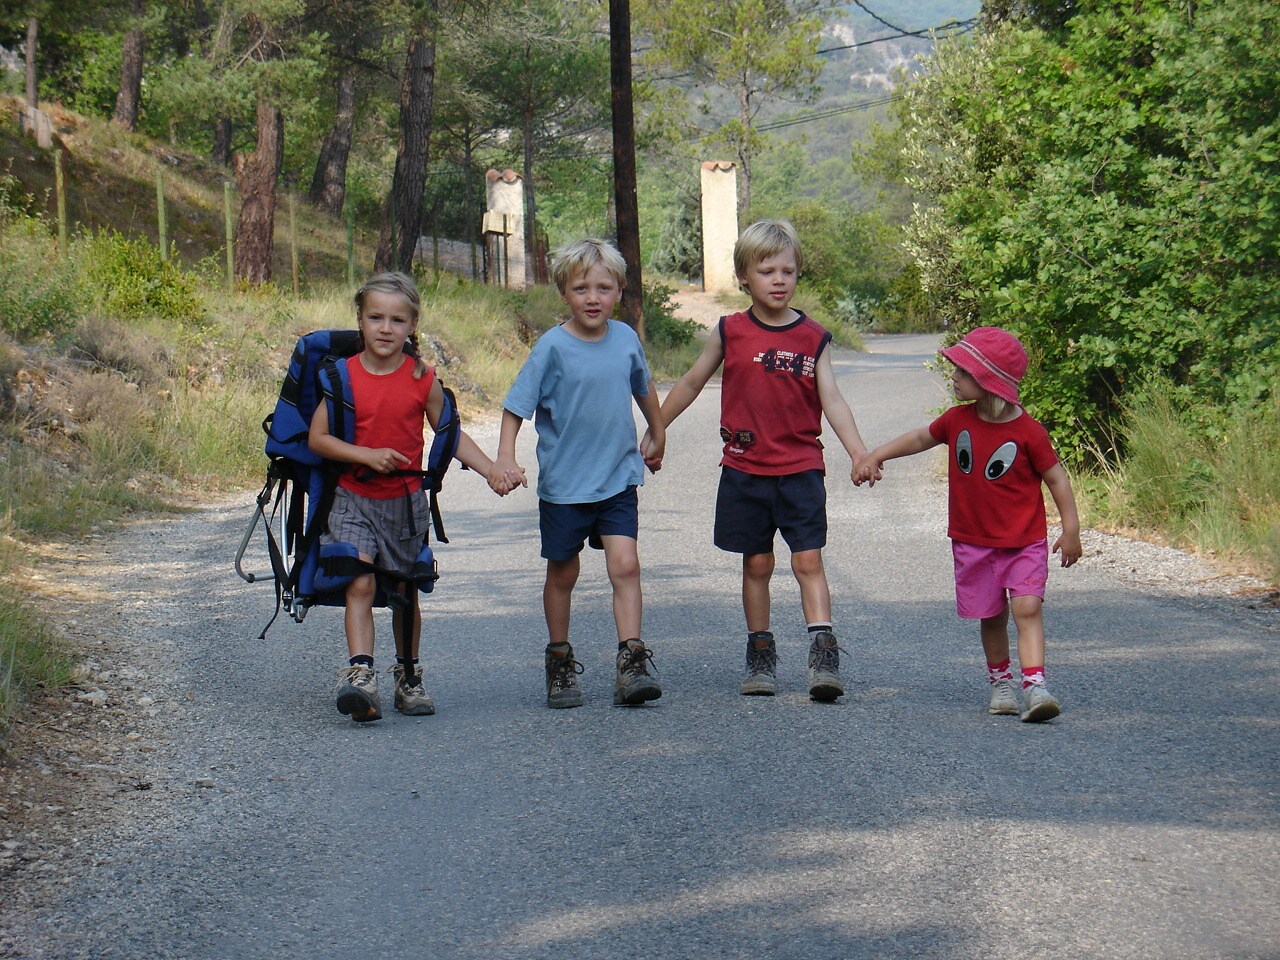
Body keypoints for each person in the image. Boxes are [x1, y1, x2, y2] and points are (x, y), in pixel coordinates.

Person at [646, 219, 872, 701]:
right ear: (744, 276)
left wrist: (858, 452)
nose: (778, 280)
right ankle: (761, 654)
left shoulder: (815, 338)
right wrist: (657, 428)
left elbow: (832, 400)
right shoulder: (731, 331)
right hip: (746, 469)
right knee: (757, 563)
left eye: (787, 271)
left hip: (801, 469)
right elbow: (689, 382)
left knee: (808, 559)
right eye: (766, 270)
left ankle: (823, 653)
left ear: (797, 275)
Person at [854, 326, 1082, 722]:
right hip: (973, 543)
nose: (953, 378)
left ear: (986, 380)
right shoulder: (957, 420)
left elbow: (1057, 478)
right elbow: (919, 438)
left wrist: (1071, 528)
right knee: (991, 615)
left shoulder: (1029, 432)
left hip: (1024, 541)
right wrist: (878, 455)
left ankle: (1035, 685)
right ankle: (1001, 683)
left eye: (961, 372)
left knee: (1027, 607)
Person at [309, 271, 500, 723]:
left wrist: (491, 469)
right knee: (359, 580)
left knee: (404, 589)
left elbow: (449, 433)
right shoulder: (341, 378)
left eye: (397, 319)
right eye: (375, 317)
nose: (385, 328)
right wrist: (365, 455)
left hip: (406, 503)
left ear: (412, 324)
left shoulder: (422, 378)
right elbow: (318, 438)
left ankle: (408, 675)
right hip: (353, 496)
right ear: (359, 319)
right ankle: (361, 675)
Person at [493, 239, 666, 709]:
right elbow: (515, 406)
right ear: (564, 293)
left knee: (625, 565)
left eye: (604, 288)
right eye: (581, 288)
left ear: (620, 292)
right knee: (564, 572)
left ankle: (631, 660)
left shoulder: (626, 339)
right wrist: (506, 457)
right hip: (566, 486)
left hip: (617, 477)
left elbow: (643, 386)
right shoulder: (552, 347)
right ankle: (560, 659)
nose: (593, 297)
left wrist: (658, 429)